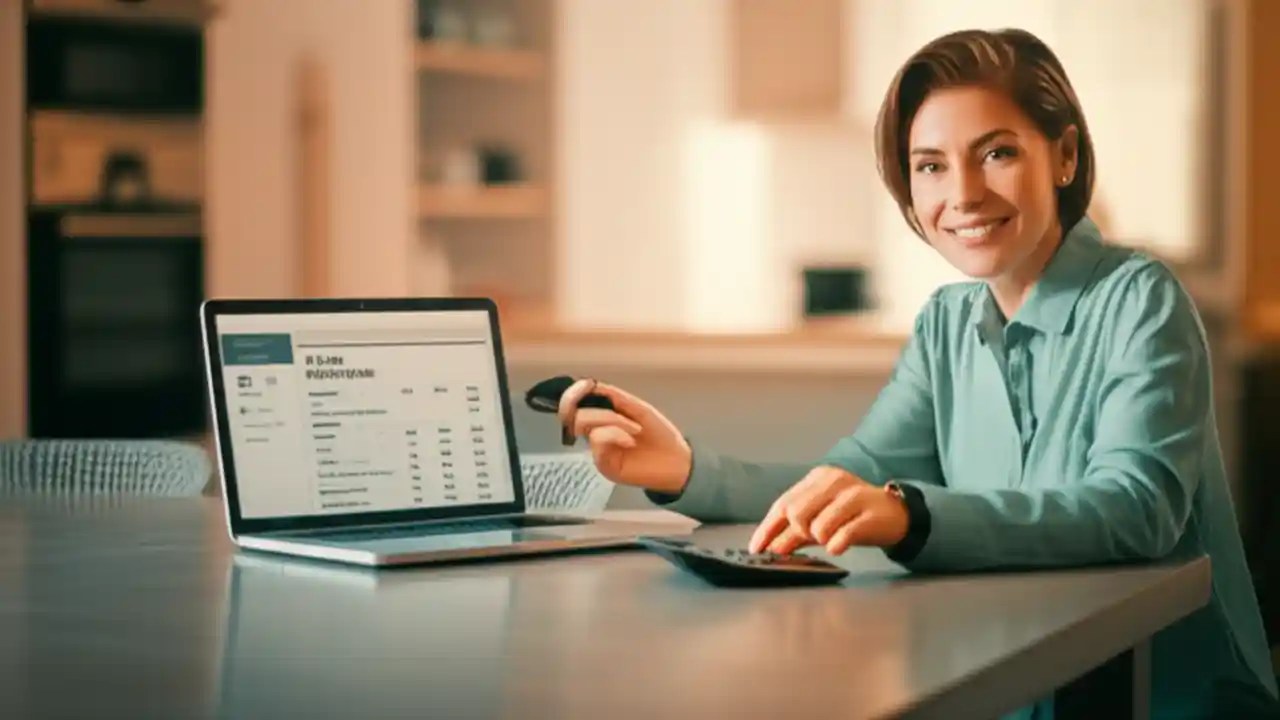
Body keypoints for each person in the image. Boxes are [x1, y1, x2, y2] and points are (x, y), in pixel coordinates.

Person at [556, 28, 1279, 719]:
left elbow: (1134, 510)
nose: (961, 194)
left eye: (996, 153)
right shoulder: (945, 322)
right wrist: (686, 470)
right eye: (930, 165)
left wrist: (913, 513)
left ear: (1063, 157)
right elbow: (850, 477)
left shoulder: (1139, 298)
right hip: (1017, 685)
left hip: (1172, 701)